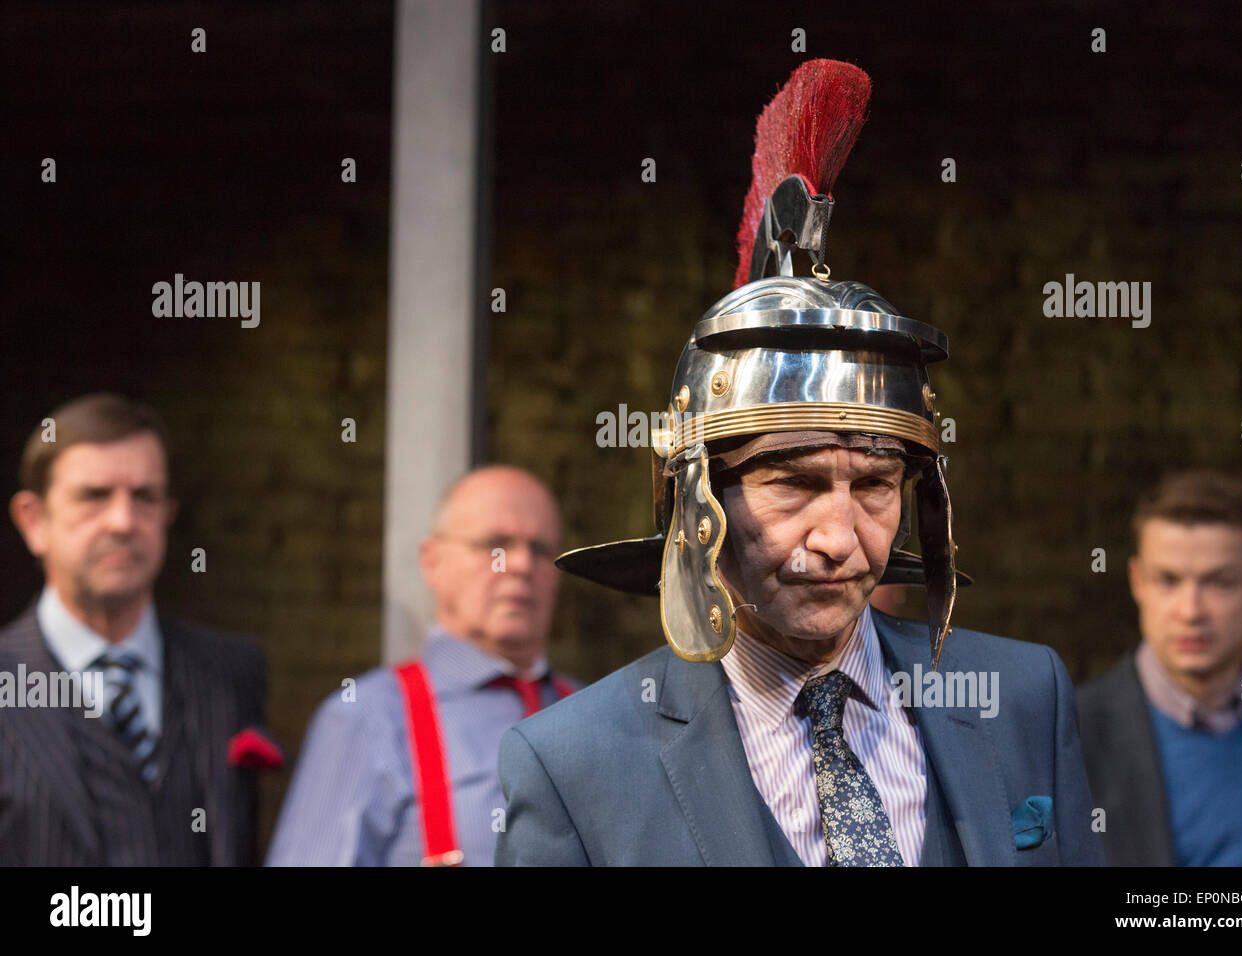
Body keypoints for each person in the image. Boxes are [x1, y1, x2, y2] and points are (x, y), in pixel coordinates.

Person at [495, 60, 1101, 867]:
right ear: (696, 495)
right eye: (795, 482)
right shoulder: (575, 765)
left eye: (876, 485)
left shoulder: (1023, 698)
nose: (840, 539)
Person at [0, 393, 271, 866]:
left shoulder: (231, 672)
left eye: (145, 497)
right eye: (94, 496)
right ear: (34, 520)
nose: (123, 521)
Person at [268, 465, 576, 866]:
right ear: (433, 562)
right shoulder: (365, 718)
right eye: (495, 545)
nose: (520, 564)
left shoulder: (597, 713)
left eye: (540, 550)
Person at [1078, 470, 1242, 866]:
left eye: (1219, 582)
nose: (1191, 611)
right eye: (1168, 580)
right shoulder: (1071, 733)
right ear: (1137, 582)